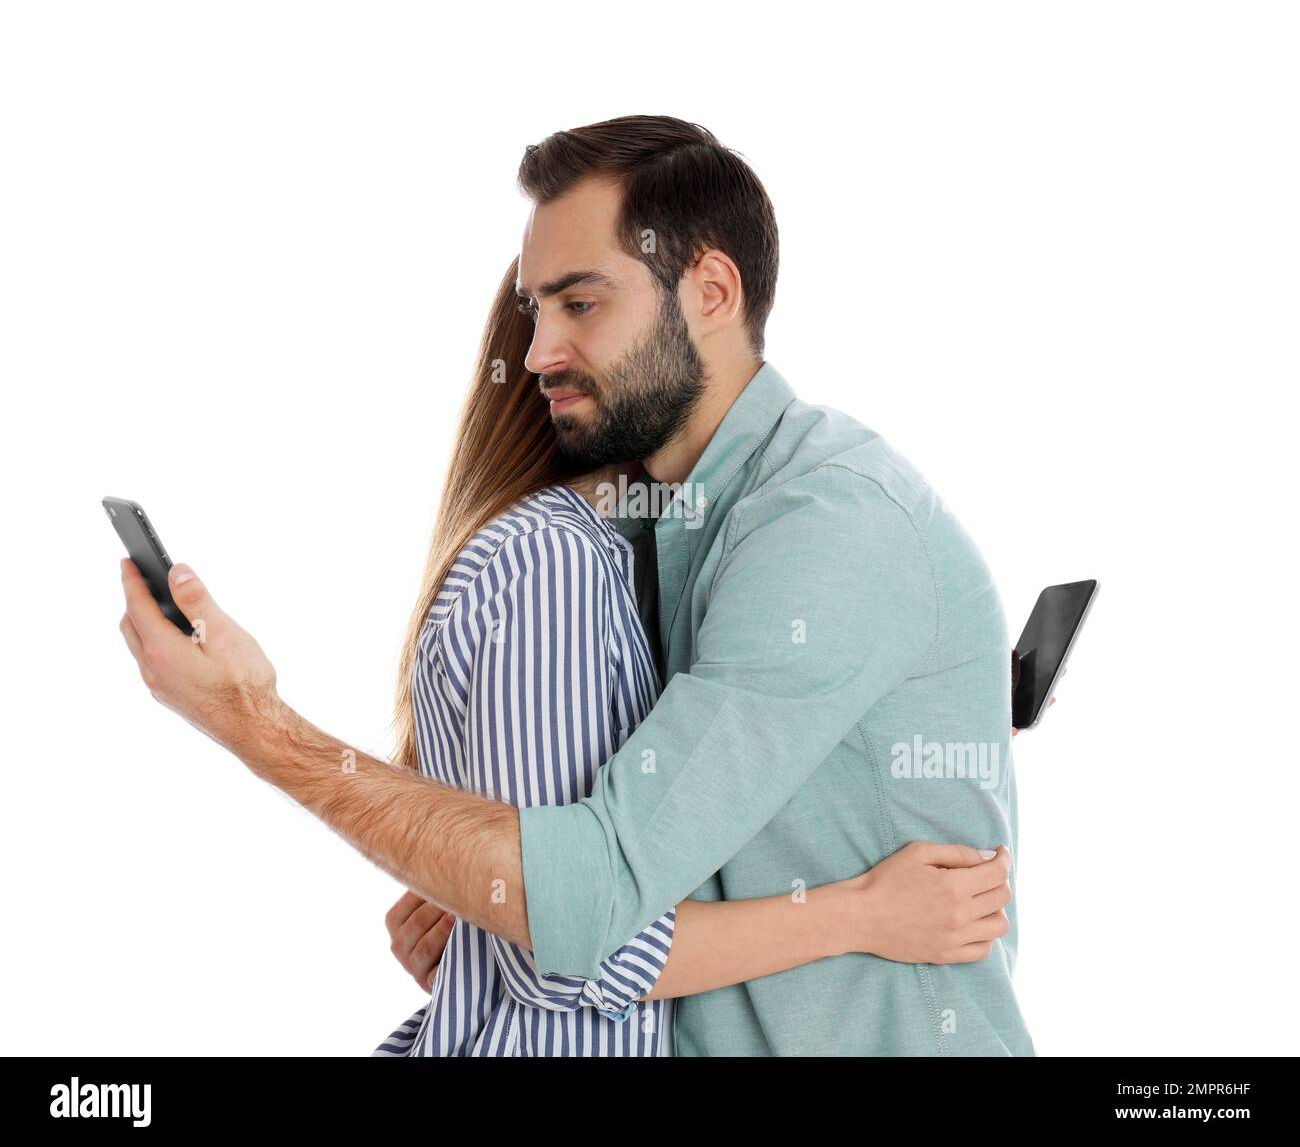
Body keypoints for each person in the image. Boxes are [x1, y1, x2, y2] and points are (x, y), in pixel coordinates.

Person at [116, 114, 1032, 1056]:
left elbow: (586, 899)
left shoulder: (828, 524)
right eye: (535, 309)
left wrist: (252, 723)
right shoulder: (659, 529)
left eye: (581, 304)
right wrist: (480, 917)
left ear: (712, 291)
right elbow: (583, 904)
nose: (540, 352)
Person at [368, 259, 1015, 1056]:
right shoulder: (552, 560)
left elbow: (672, 800)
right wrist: (861, 913)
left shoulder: (641, 554)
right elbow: (565, 949)